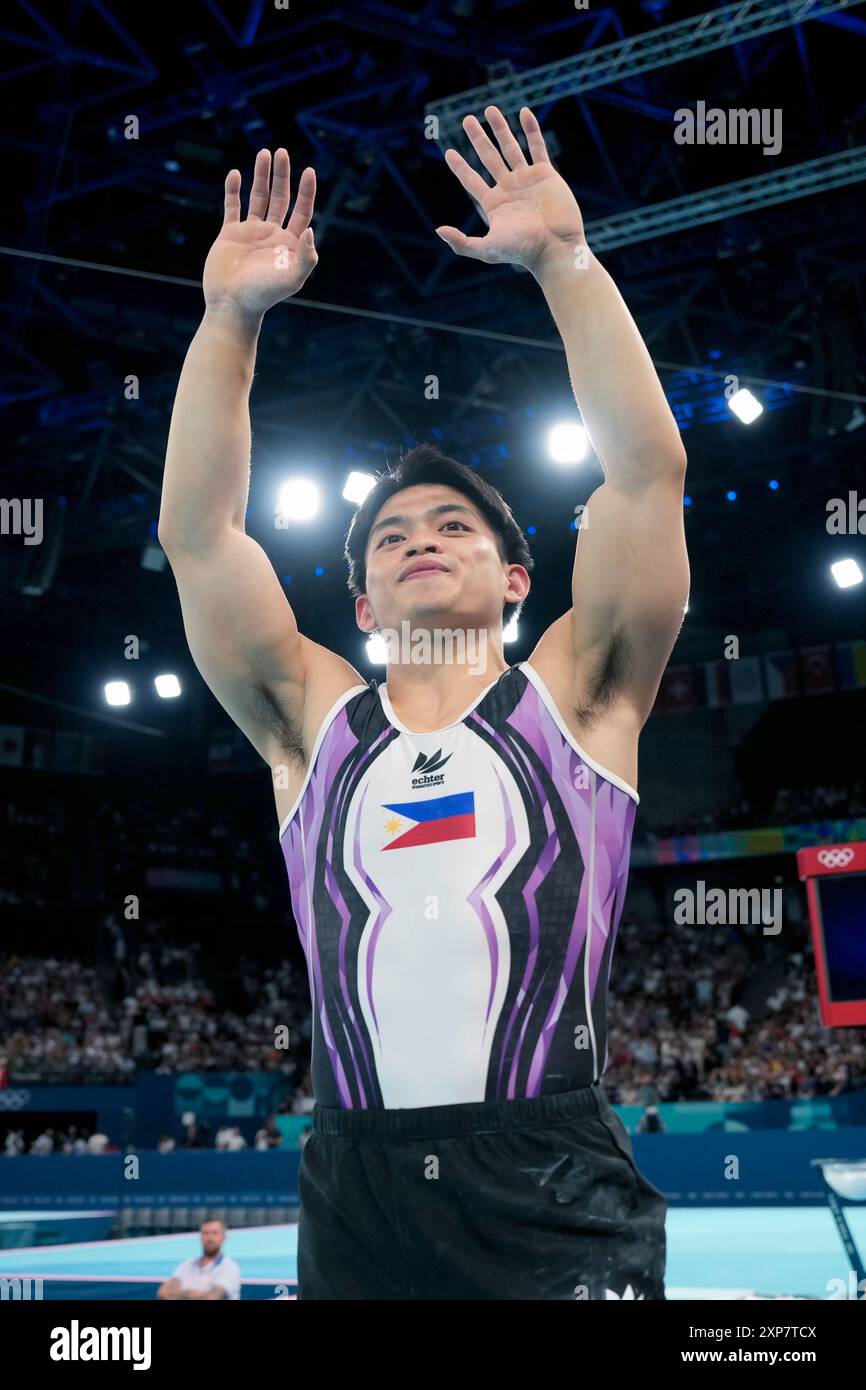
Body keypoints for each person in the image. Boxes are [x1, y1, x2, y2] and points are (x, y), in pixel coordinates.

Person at [159, 105, 689, 1300]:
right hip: (357, 1186)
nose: (419, 540)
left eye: (453, 524)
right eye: (391, 534)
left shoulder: (577, 697)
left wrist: (565, 263)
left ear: (515, 579)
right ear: (358, 601)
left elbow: (646, 477)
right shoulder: (312, 723)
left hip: (548, 1177)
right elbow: (198, 538)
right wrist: (228, 321)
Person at [157, 1218, 241, 1300]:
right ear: (200, 1237)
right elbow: (163, 1294)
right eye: (206, 1233)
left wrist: (181, 1293)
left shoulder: (229, 1267)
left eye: (215, 1233)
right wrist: (198, 1294)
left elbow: (212, 1298)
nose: (210, 1238)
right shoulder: (187, 1265)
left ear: (223, 1238)